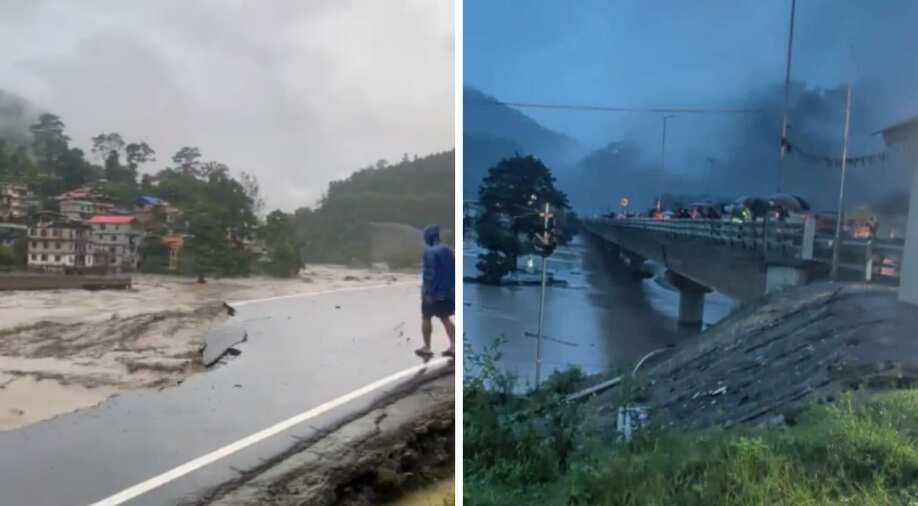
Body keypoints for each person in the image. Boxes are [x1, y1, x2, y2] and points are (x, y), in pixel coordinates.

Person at [415, 224, 455, 360]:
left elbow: (429, 274)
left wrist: (426, 292)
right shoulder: (449, 250)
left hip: (434, 294)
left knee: (426, 317)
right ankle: (454, 346)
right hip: (449, 293)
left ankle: (427, 347)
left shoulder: (430, 252)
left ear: (428, 237)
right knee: (445, 318)